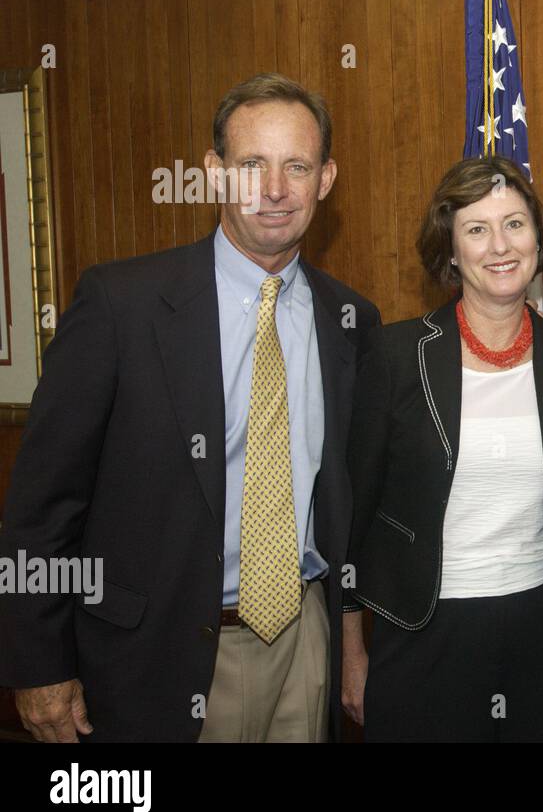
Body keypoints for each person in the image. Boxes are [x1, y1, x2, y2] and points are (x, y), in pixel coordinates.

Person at [0, 73, 380, 741]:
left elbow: (352, 503)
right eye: (251, 164)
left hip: (304, 648)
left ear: (326, 178)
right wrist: (37, 665)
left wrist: (348, 643)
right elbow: (42, 503)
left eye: (297, 165)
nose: (274, 189)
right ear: (212, 172)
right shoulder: (121, 307)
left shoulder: (351, 320)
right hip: (156, 661)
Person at [341, 156, 543, 741]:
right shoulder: (394, 357)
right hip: (423, 632)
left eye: (514, 223)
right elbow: (352, 515)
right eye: (476, 229)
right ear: (451, 252)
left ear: (538, 237)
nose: (500, 245)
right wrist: (351, 646)